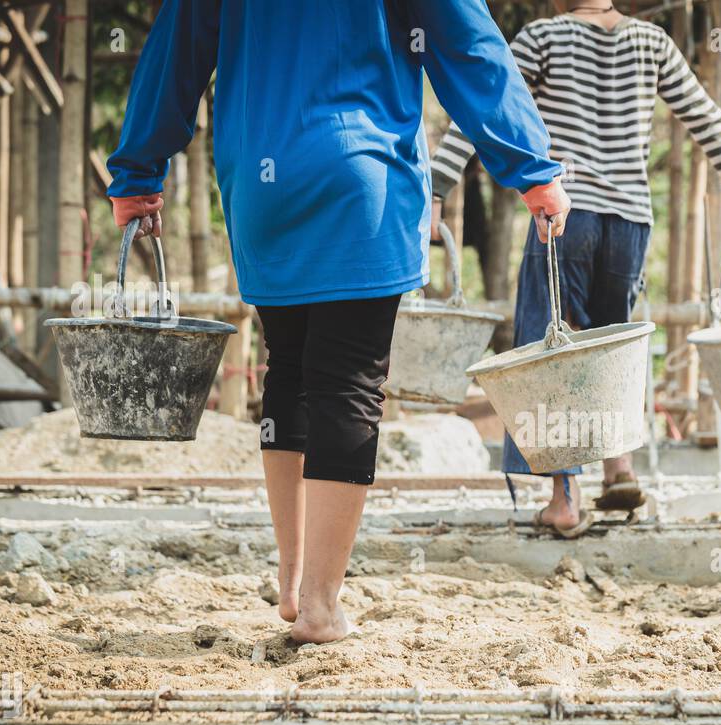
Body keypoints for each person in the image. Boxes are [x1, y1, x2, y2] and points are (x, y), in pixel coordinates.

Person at [107, 0, 569, 644]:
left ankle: (294, 581)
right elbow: (469, 47)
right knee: (347, 381)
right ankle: (323, 606)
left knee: (289, 370)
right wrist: (532, 168)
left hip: (262, 181)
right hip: (362, 175)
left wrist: (137, 171)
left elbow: (176, 51)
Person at [430, 2, 721, 538]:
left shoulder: (542, 37)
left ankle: (565, 497)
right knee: (617, 348)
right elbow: (709, 120)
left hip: (564, 214)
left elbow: (485, 105)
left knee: (554, 351)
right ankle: (620, 468)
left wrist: (435, 188)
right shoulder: (651, 42)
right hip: (629, 222)